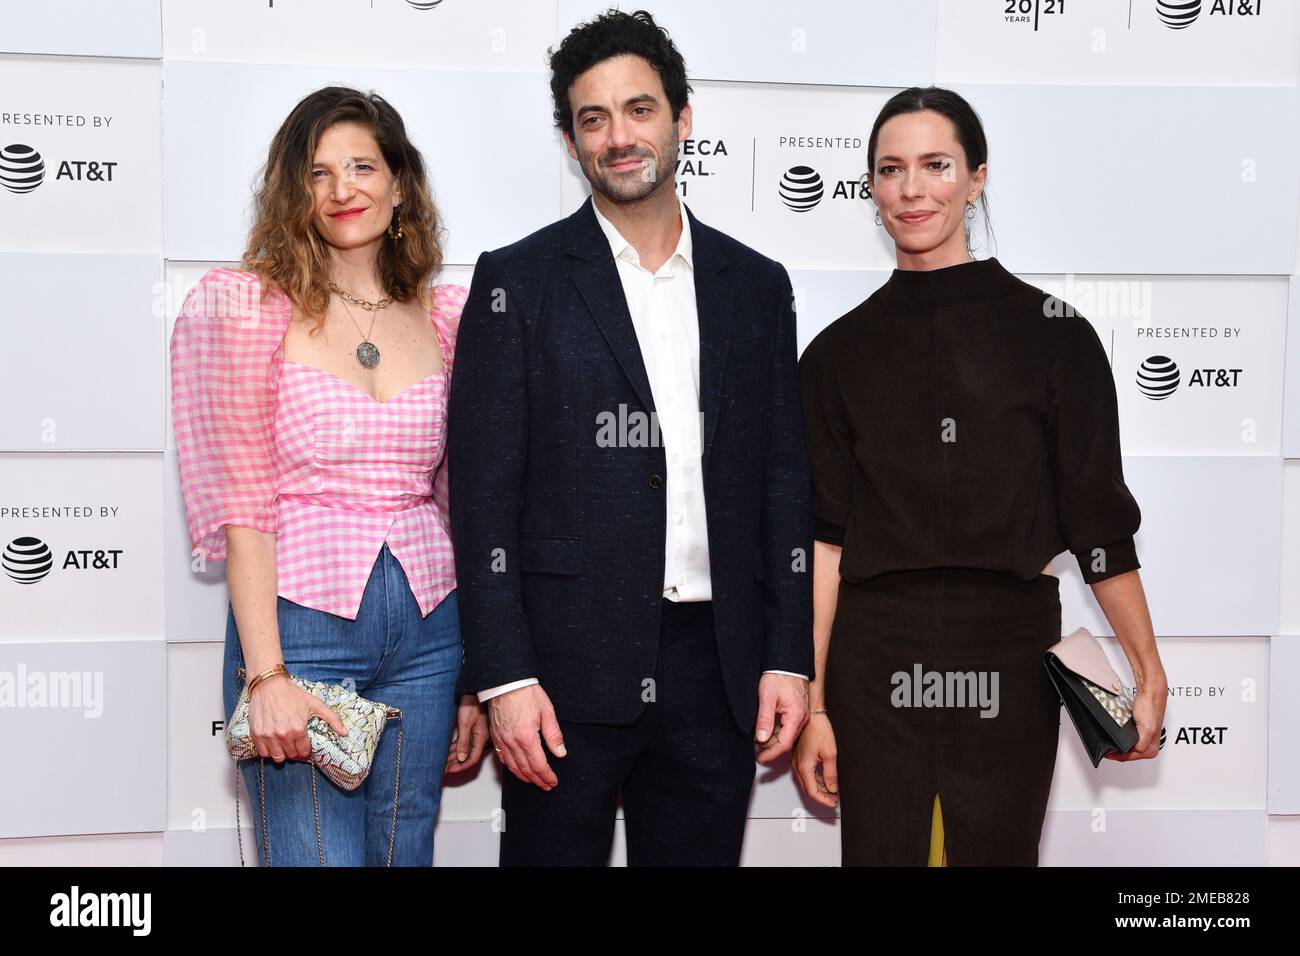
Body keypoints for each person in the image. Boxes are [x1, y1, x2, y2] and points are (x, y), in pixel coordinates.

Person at [447, 10, 813, 866]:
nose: (619, 136)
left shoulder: (757, 289)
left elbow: (784, 486)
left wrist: (789, 655)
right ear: (570, 142)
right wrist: (504, 677)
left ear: (682, 120)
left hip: (719, 673)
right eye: (593, 119)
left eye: (639, 109)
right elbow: (483, 497)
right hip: (561, 679)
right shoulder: (518, 282)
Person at [792, 86, 1168, 866]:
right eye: (891, 169)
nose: (912, 188)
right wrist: (817, 704)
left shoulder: (1057, 337)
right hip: (875, 660)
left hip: (1008, 655)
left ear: (977, 178)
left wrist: (1147, 665)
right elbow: (824, 545)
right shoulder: (836, 355)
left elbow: (1099, 527)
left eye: (936, 165)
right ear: (870, 189)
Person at [170, 86, 488, 867]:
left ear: (399, 183)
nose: (343, 189)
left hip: (428, 631)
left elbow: (464, 501)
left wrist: (478, 679)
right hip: (301, 626)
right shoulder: (250, 310)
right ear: (293, 193)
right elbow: (246, 505)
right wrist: (266, 675)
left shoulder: (447, 317)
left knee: (400, 850)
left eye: (362, 166)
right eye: (318, 173)